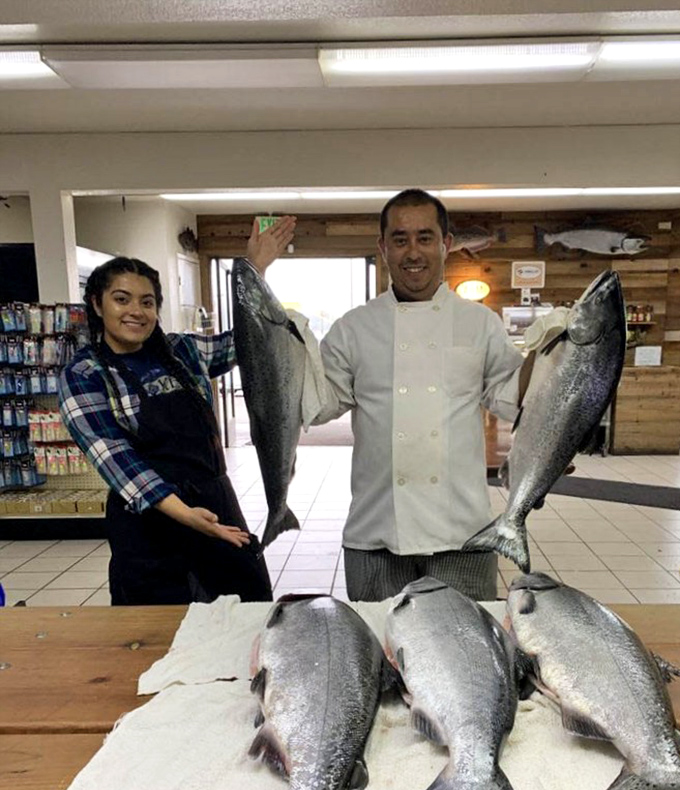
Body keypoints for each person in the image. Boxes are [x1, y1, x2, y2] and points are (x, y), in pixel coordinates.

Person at [59, 216, 296, 606]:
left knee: (244, 617)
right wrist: (185, 514)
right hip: (149, 525)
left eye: (147, 301)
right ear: (97, 304)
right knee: (159, 638)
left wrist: (255, 271)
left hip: (217, 505)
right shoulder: (84, 374)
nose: (136, 310)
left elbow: (256, 340)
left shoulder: (182, 351)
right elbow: (117, 461)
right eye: (122, 299)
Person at [312, 188, 534, 602]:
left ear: (446, 244)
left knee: (467, 657)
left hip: (463, 533)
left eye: (425, 237)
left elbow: (512, 398)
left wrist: (554, 353)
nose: (413, 251)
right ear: (383, 248)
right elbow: (320, 404)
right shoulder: (354, 328)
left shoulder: (479, 324)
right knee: (381, 655)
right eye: (400, 239)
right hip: (375, 533)